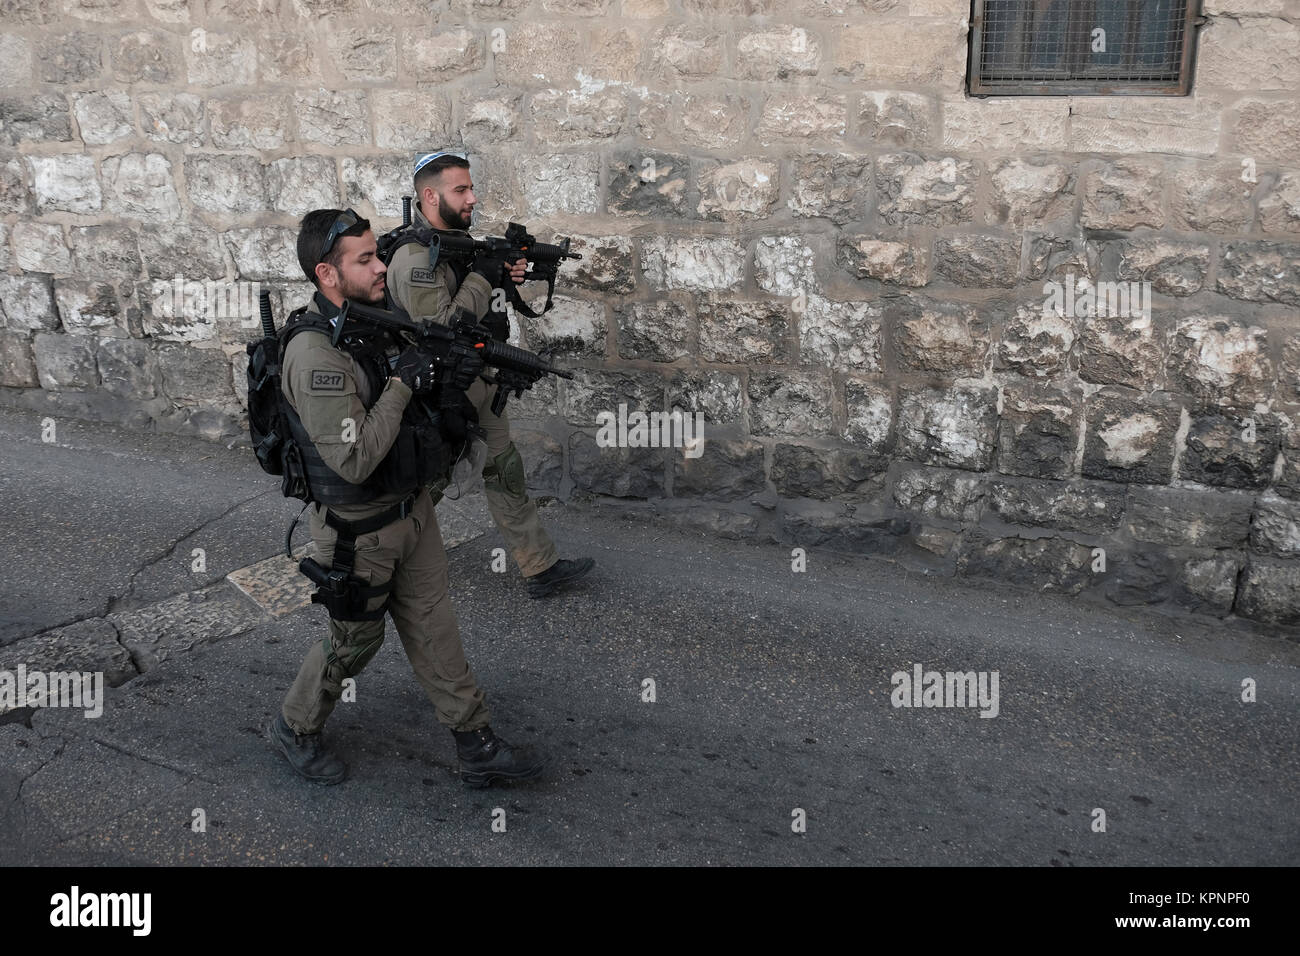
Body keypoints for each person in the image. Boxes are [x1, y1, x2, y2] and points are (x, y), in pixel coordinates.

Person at [267, 207, 544, 788]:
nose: (380, 265)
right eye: (364, 259)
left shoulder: (373, 321)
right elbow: (355, 455)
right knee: (354, 643)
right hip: (357, 531)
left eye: (378, 253)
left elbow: (421, 394)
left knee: (435, 627)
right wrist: (402, 382)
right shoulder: (314, 353)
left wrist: (452, 373)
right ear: (326, 273)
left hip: (410, 509)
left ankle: (476, 744)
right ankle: (296, 724)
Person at [385, 150, 595, 599]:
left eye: (471, 188)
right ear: (429, 195)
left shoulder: (458, 244)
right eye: (460, 190)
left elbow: (478, 303)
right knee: (429, 483)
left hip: (477, 380)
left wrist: (503, 275)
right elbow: (442, 326)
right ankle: (375, 562)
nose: (472, 198)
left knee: (504, 469)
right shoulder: (414, 256)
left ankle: (539, 566)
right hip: (439, 394)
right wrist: (484, 275)